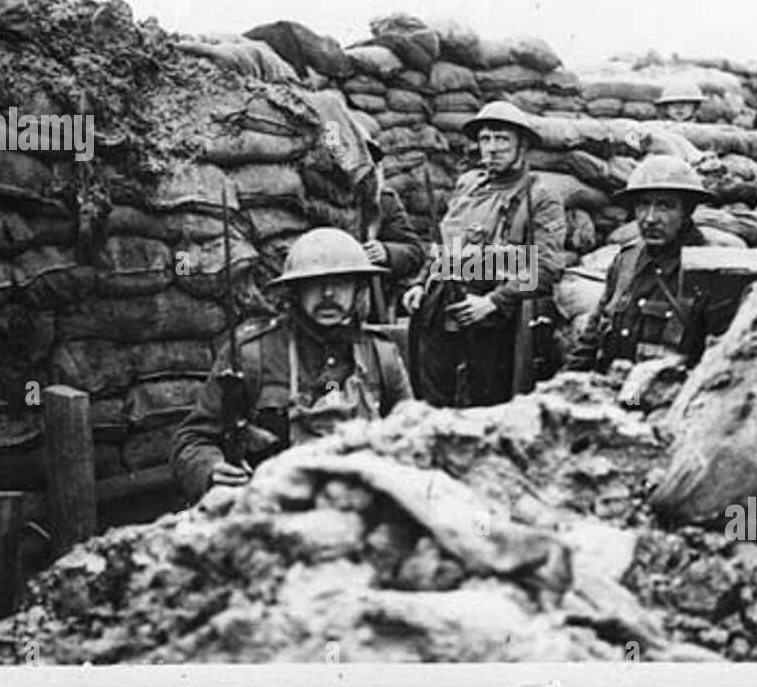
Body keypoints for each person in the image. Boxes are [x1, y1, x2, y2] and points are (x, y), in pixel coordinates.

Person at [170, 226, 412, 501]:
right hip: (276, 508)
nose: (329, 294)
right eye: (315, 283)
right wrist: (210, 469)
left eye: (342, 281)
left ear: (358, 288)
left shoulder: (381, 355)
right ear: (295, 291)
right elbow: (191, 440)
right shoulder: (252, 354)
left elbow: (415, 437)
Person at [403, 101, 566, 405]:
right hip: (441, 305)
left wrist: (494, 301)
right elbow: (447, 245)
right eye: (485, 139)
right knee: (432, 401)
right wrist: (419, 281)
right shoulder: (467, 186)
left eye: (503, 139)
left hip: (496, 318)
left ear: (523, 146)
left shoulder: (541, 197)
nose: (492, 148)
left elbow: (548, 267)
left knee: (485, 405)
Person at [565, 156, 741, 373]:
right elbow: (591, 338)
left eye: (665, 206)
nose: (650, 218)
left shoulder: (710, 269)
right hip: (615, 391)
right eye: (643, 204)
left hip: (669, 398)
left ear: (687, 212)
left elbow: (721, 361)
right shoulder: (626, 260)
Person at [358, 133, 425, 319]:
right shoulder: (316, 200)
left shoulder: (383, 202)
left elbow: (414, 252)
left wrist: (387, 252)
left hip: (371, 304)